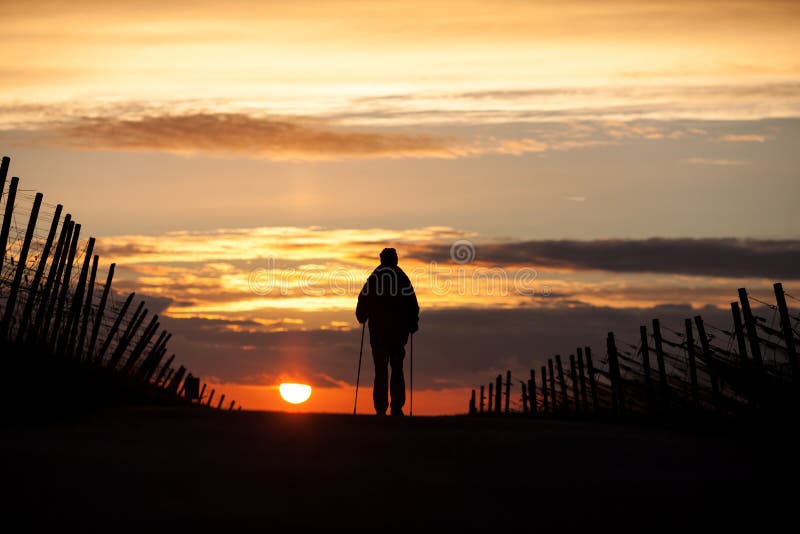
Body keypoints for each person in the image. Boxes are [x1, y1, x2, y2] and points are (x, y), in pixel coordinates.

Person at [355, 248, 419, 416]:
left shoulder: (375, 277)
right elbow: (412, 303)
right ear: (395, 260)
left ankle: (381, 408)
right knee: (397, 367)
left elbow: (363, 299)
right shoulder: (401, 277)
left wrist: (362, 315)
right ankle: (396, 407)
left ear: (382, 259)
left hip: (379, 332)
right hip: (398, 332)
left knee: (381, 369)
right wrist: (413, 323)